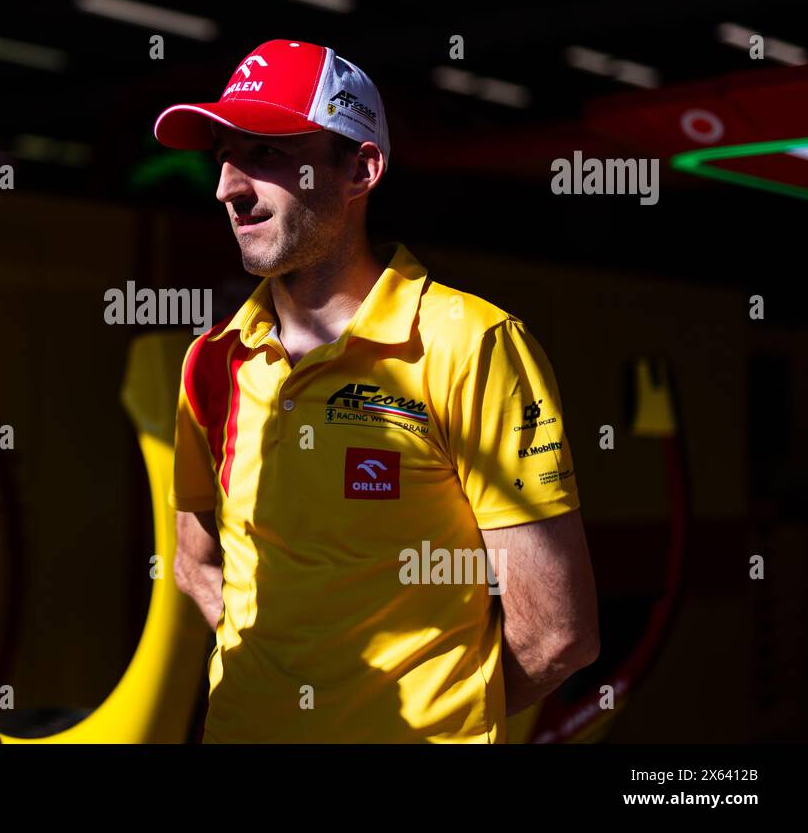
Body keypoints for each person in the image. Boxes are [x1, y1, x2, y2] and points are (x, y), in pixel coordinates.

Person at [155, 39, 600, 742]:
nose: (228, 188)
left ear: (361, 168)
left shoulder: (472, 343)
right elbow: (195, 561)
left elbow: (556, 634)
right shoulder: (211, 362)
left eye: (266, 154)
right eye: (224, 157)